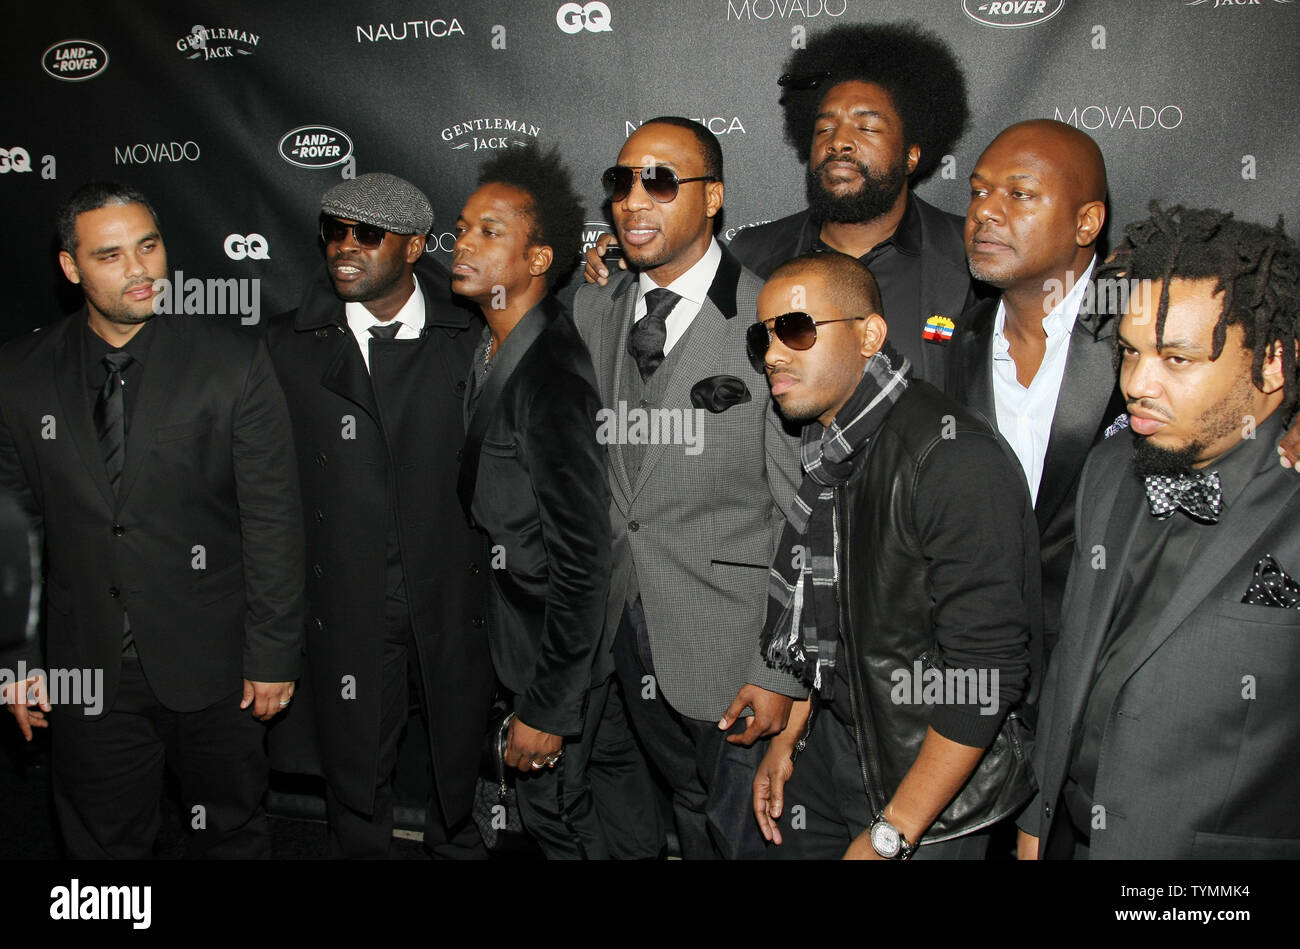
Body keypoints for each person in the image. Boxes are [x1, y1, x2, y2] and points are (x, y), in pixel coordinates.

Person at [0, 181, 304, 858]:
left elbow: (273, 518)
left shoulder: (232, 361)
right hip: (88, 670)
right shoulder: (18, 375)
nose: (139, 269)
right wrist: (15, 659)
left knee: (231, 833)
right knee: (102, 849)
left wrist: (275, 652)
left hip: (218, 665)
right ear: (71, 267)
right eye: (110, 255)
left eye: (148, 245)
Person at [1019, 204, 1300, 859]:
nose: (1138, 384)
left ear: (1273, 363)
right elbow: (1072, 658)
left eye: (1177, 358)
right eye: (1130, 351)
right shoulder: (1112, 467)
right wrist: (1034, 823)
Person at [749, 252, 1038, 859]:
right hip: (841, 754)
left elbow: (984, 674)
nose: (774, 353)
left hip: (932, 793)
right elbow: (838, 624)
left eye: (797, 329)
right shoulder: (831, 451)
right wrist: (793, 737)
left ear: (869, 335)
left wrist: (892, 834)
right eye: (764, 336)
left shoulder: (950, 457)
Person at [572, 117, 803, 859]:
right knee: (691, 821)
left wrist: (781, 672)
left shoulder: (774, 318)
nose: (634, 199)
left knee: (750, 843)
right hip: (623, 639)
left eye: (661, 181)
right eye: (621, 181)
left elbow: (805, 512)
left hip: (733, 653)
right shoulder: (594, 307)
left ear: (713, 198)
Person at [264, 173, 494, 858]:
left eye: (368, 233)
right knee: (356, 787)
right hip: (346, 601)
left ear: (417, 245)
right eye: (334, 230)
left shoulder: (476, 337)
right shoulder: (284, 345)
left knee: (462, 781)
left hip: (455, 598)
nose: (345, 247)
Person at [453, 143, 662, 859]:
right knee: (615, 802)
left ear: (539, 260)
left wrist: (547, 704)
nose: (465, 244)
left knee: (558, 822)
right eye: (463, 228)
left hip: (554, 662)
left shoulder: (551, 377)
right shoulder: (486, 350)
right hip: (530, 653)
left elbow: (583, 560)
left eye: (490, 232)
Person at [586, 22, 975, 386]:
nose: (838, 142)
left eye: (866, 127)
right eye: (824, 128)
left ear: (912, 154)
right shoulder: (753, 255)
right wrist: (633, 257)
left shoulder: (969, 260)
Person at [947, 120, 1125, 661]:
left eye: (1020, 194)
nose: (986, 211)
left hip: (1115, 661)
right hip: (988, 661)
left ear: (1087, 222)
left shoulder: (1146, 325)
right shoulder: (959, 341)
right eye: (979, 191)